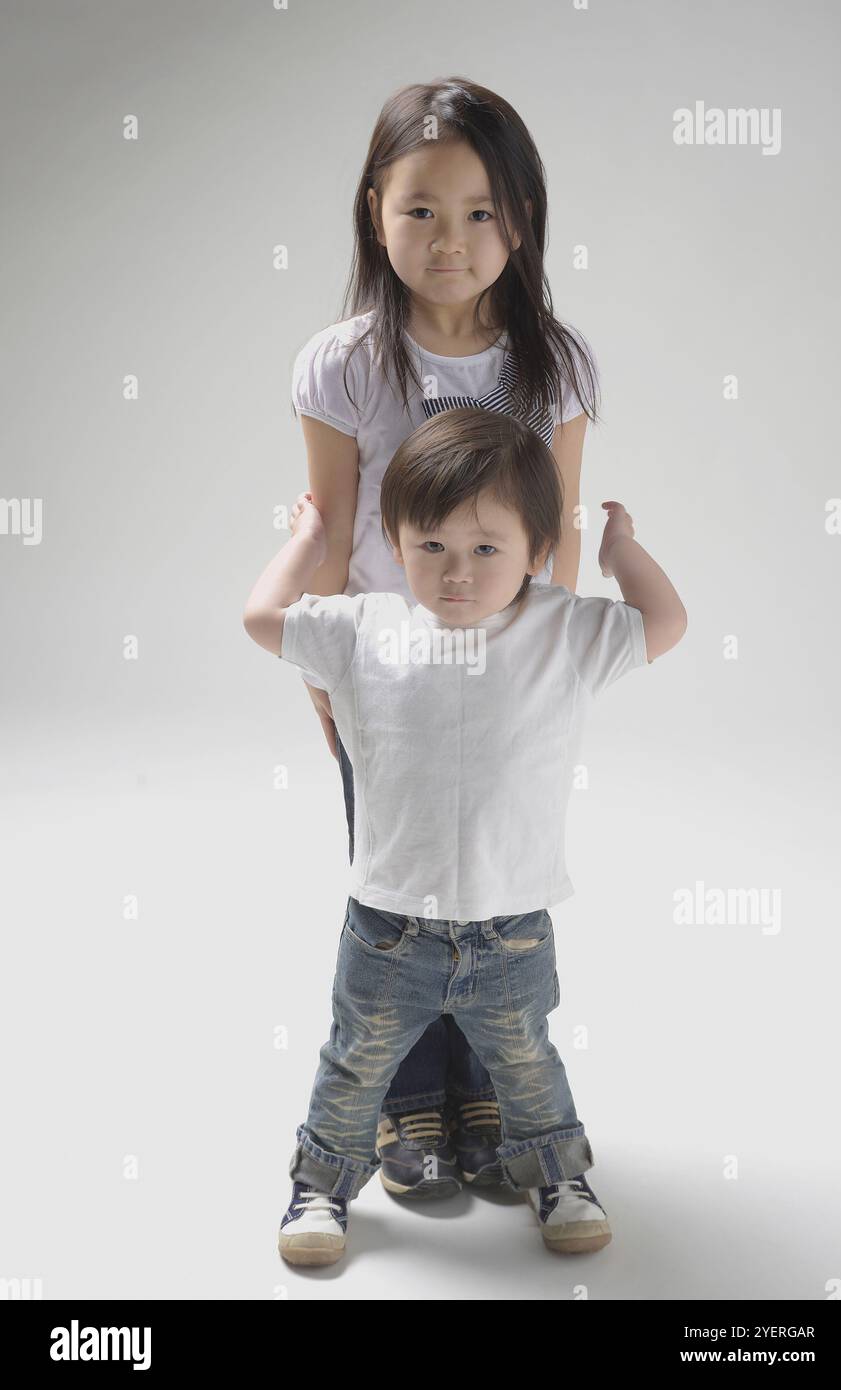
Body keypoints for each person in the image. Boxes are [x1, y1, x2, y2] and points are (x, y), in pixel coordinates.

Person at [242, 407, 687, 1265]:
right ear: (395, 542)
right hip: (387, 926)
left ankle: (555, 1175)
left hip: (511, 924)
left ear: (534, 548)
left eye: (487, 549)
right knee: (353, 1068)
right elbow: (264, 619)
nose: (456, 573)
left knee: (528, 1065)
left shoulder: (561, 628)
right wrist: (308, 539)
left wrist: (619, 552)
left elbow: (662, 624)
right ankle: (320, 1188)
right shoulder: (364, 626)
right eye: (431, 547)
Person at [288, 75, 604, 1196]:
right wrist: (320, 673)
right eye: (420, 208)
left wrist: (549, 660)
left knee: (498, 883)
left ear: (520, 218)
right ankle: (410, 1102)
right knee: (402, 891)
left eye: (481, 212)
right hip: (387, 678)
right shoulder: (343, 363)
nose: (450, 239)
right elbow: (328, 520)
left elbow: (556, 530)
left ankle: (488, 1094)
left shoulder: (551, 363)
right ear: (375, 207)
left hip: (510, 678)